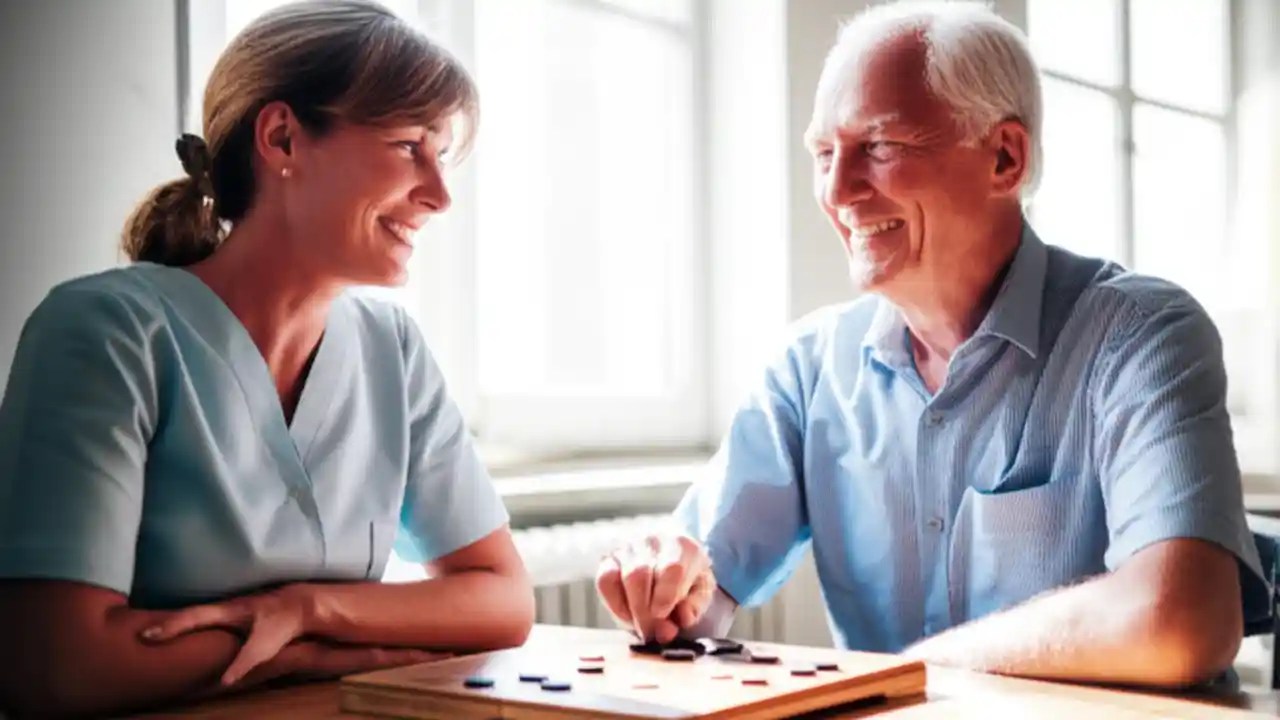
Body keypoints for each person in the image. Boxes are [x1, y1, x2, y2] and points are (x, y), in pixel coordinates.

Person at [596, 0, 1267, 689]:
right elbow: (697, 600)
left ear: (1006, 156)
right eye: (824, 153)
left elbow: (1181, 620)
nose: (837, 191)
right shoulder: (808, 370)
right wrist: (664, 585)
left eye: (880, 148)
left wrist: (914, 667)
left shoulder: (1141, 336)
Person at [0, 1, 533, 716]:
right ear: (282, 138)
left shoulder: (392, 349)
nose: (438, 195)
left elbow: (502, 599)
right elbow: (55, 664)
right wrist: (307, 654)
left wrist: (309, 610)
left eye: (441, 154)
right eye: (409, 145)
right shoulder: (104, 332)